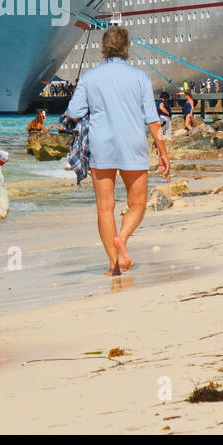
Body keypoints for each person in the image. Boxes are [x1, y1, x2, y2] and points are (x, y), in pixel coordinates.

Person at [64, 27, 170, 276]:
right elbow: (152, 120)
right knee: (138, 203)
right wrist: (163, 152)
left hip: (102, 146)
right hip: (133, 143)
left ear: (104, 47)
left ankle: (113, 267)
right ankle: (121, 237)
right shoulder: (140, 77)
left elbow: (73, 112)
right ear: (127, 47)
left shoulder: (90, 78)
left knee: (104, 207)